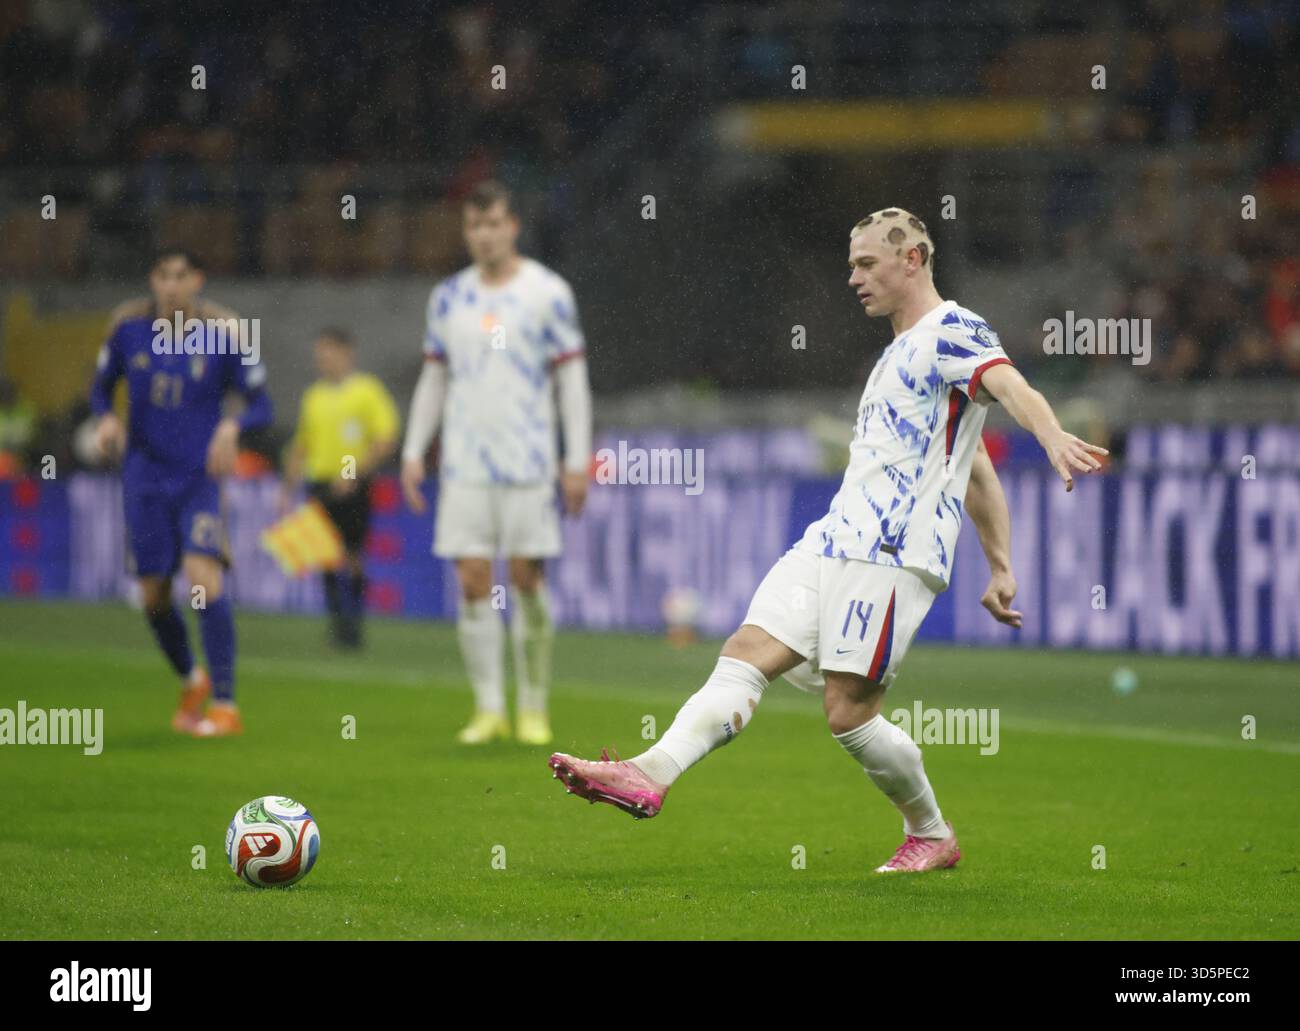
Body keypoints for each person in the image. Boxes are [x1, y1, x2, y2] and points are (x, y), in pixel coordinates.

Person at [548, 208, 1108, 873]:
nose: (853, 278)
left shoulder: (954, 329)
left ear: (913, 260)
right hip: (835, 537)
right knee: (746, 652)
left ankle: (931, 833)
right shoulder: (894, 355)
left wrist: (1048, 436)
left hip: (894, 551)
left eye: (867, 263)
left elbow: (1012, 386)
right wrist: (1001, 564)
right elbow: (975, 464)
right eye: (850, 264)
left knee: (847, 712)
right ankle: (649, 772)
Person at [401, 180, 592, 746]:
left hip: (529, 461)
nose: (483, 235)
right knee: (472, 579)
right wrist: (414, 450)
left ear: (513, 227)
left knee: (527, 580)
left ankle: (533, 705)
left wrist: (575, 459)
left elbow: (572, 380)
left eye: (494, 224)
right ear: (467, 233)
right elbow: (435, 376)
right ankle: (488, 708)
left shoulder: (548, 292)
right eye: (474, 226)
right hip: (463, 462)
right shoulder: (449, 298)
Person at [90, 247, 271, 737]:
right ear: (153, 280)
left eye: (181, 276)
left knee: (202, 580)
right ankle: (192, 679)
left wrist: (232, 426)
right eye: (164, 276)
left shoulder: (226, 332)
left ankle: (226, 705)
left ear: (198, 280)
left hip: (200, 479)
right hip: (144, 478)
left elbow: (262, 403)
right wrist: (106, 416)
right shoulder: (127, 327)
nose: (171, 285)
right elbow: (100, 387)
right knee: (153, 596)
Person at [280, 327, 399, 648]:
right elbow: (302, 445)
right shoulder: (314, 396)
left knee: (354, 555)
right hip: (320, 483)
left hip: (354, 484)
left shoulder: (366, 391)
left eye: (330, 353)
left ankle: (355, 628)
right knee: (325, 556)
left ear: (348, 353)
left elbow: (385, 437)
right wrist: (287, 488)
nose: (324, 360)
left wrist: (352, 473)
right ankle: (338, 628)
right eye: (320, 355)